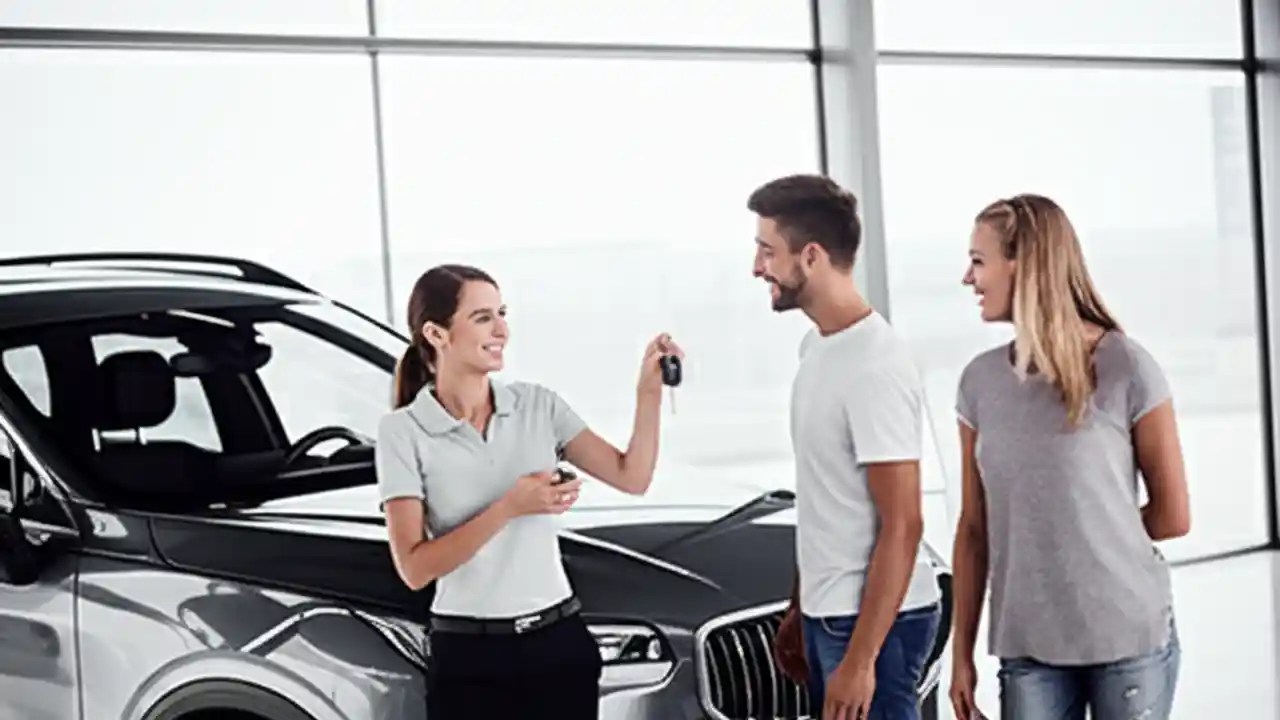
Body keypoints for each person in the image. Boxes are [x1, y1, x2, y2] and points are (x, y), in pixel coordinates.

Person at [374, 263, 683, 719]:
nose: (502, 329)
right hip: (467, 657)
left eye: (502, 313)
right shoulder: (402, 432)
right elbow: (415, 568)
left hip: (557, 647)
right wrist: (511, 506)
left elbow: (631, 476)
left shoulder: (538, 406)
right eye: (482, 317)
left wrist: (648, 394)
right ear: (436, 334)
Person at [948, 194, 1191, 720]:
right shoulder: (979, 382)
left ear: (1025, 264)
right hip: (1028, 648)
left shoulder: (1128, 367)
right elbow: (973, 529)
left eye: (978, 260)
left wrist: (1085, 538)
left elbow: (1173, 516)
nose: (969, 278)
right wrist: (960, 656)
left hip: (1127, 638)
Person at [749, 174, 942, 720]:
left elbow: (903, 524)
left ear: (810, 257)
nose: (757, 267)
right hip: (827, 614)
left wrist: (860, 661)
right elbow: (827, 495)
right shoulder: (818, 348)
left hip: (874, 626)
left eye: (767, 251)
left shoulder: (875, 365)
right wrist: (800, 604)